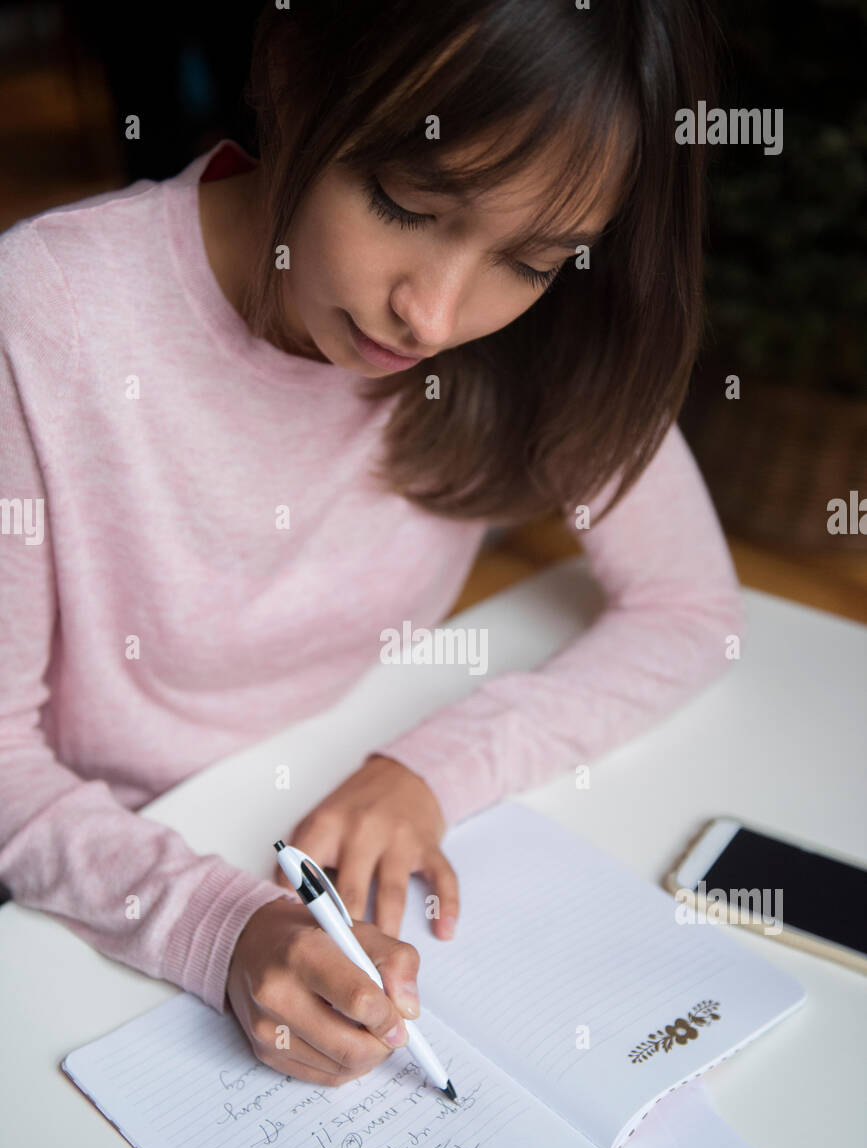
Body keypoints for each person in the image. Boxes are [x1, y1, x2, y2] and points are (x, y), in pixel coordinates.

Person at [0, 0, 741, 1091]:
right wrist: (215, 927)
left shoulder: (550, 336)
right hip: (101, 874)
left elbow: (688, 610)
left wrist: (430, 770)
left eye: (531, 261)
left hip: (332, 800)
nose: (431, 315)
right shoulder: (50, 312)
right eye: (405, 202)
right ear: (294, 67)